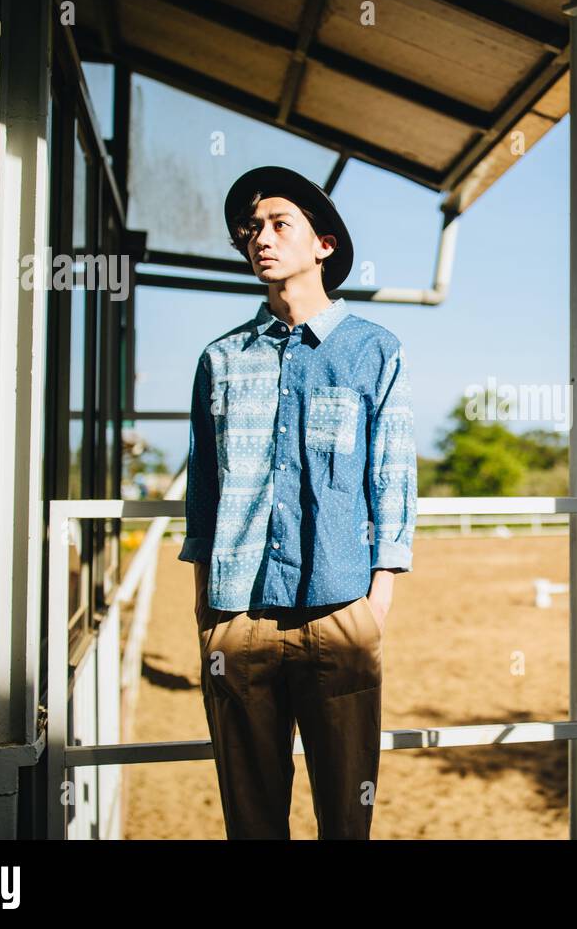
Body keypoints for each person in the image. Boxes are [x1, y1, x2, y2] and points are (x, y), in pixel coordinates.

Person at [178, 165, 417, 839]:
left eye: (280, 223)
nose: (261, 237)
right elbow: (203, 488)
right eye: (251, 229)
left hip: (342, 611)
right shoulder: (219, 360)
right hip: (237, 616)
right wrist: (207, 605)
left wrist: (377, 602)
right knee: (251, 821)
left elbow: (392, 476)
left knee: (347, 816)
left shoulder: (375, 350)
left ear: (324, 245)